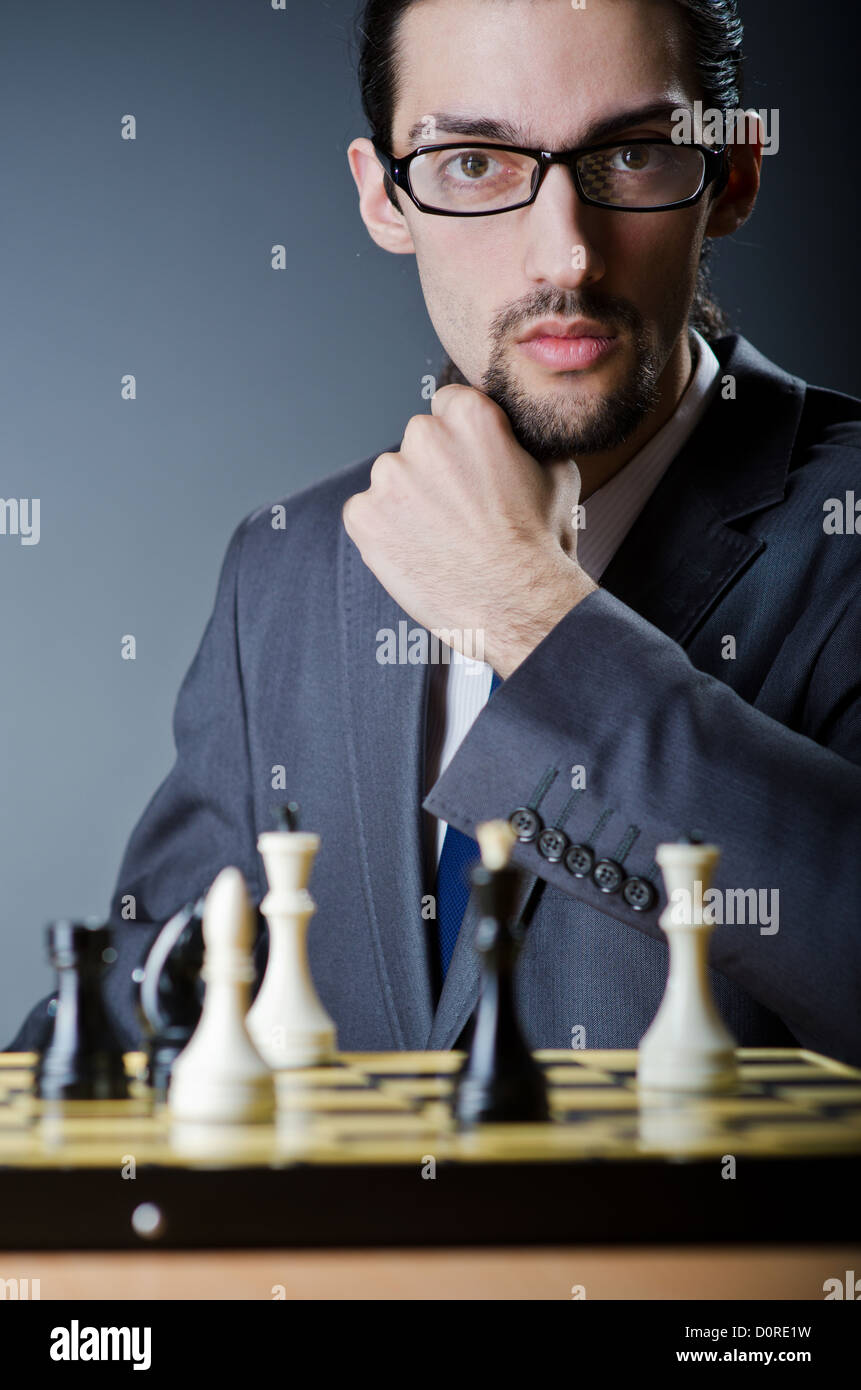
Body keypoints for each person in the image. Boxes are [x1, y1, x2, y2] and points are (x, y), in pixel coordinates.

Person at [9, 0, 861, 1064]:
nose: (565, 257)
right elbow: (134, 1032)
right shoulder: (287, 570)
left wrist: (539, 621)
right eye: (474, 163)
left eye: (634, 153)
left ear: (730, 175)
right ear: (383, 197)